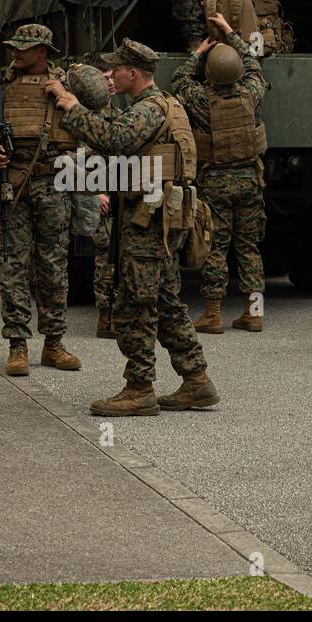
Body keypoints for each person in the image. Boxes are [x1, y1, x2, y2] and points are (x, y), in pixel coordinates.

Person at [45, 39, 217, 416]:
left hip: (148, 223)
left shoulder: (150, 109)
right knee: (167, 302)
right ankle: (197, 381)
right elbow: (122, 144)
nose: (111, 75)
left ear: (133, 73)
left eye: (116, 69)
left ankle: (139, 388)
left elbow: (115, 138)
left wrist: (73, 109)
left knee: (134, 304)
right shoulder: (163, 105)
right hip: (159, 219)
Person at [0, 24, 81, 377]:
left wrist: (68, 100)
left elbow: (90, 125)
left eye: (24, 48)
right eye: (14, 47)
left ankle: (54, 343)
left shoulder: (64, 84)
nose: (15, 52)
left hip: (52, 184)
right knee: (13, 266)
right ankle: (17, 345)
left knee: (53, 266)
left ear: (43, 51)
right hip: (11, 186)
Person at [172, 12, 268, 333]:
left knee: (216, 246)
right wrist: (231, 32)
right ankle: (254, 313)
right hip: (250, 181)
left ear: (209, 76)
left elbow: (180, 81)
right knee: (249, 247)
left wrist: (198, 54)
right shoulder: (251, 94)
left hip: (215, 183)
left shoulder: (200, 99)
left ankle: (213, 314)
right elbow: (255, 64)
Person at [89, 54, 119, 338]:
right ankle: (105, 317)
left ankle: (117, 314)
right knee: (105, 256)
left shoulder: (118, 114)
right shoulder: (86, 117)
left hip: (118, 195)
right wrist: (94, 192)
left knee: (118, 254)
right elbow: (73, 158)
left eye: (112, 77)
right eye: (104, 79)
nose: (110, 83)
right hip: (97, 197)